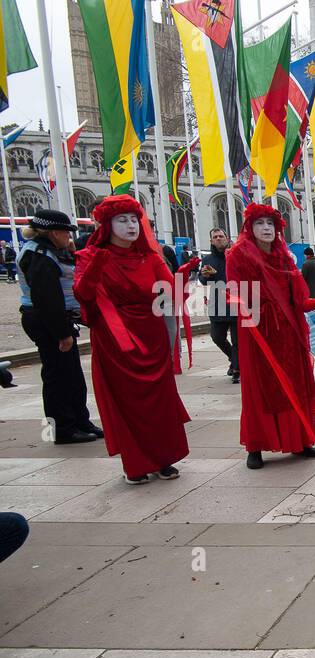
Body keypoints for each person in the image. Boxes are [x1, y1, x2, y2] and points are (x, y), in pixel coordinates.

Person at [73, 195, 191, 484]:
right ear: (106, 225)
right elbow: (83, 297)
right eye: (121, 220)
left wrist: (183, 280)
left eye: (134, 220)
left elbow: (169, 297)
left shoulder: (150, 257)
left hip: (152, 336)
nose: (131, 226)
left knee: (160, 401)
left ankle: (164, 458)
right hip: (116, 340)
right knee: (127, 402)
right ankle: (136, 462)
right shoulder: (90, 257)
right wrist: (97, 265)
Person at [226, 205, 315, 469]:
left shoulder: (285, 258)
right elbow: (230, 291)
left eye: (271, 224)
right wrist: (236, 300)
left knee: (296, 384)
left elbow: (300, 300)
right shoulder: (238, 254)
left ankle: (301, 440)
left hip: (289, 333)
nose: (267, 229)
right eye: (260, 224)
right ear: (249, 227)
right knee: (259, 388)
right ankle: (255, 446)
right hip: (258, 332)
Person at [17, 209, 102, 444]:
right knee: (58, 377)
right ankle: (63, 428)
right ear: (55, 232)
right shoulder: (39, 255)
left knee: (72, 375)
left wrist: (71, 253)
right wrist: (62, 334)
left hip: (58, 319)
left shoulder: (50, 251)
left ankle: (80, 421)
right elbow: (47, 298)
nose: (70, 237)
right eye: (67, 233)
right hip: (47, 322)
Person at [200, 227, 238, 384]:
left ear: (227, 238)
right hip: (217, 304)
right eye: (215, 237)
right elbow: (204, 281)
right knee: (217, 337)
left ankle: (237, 369)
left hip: (236, 302)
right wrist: (205, 275)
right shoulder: (208, 259)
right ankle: (232, 358)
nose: (218, 239)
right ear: (211, 241)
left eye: (221, 236)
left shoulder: (235, 255)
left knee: (238, 341)